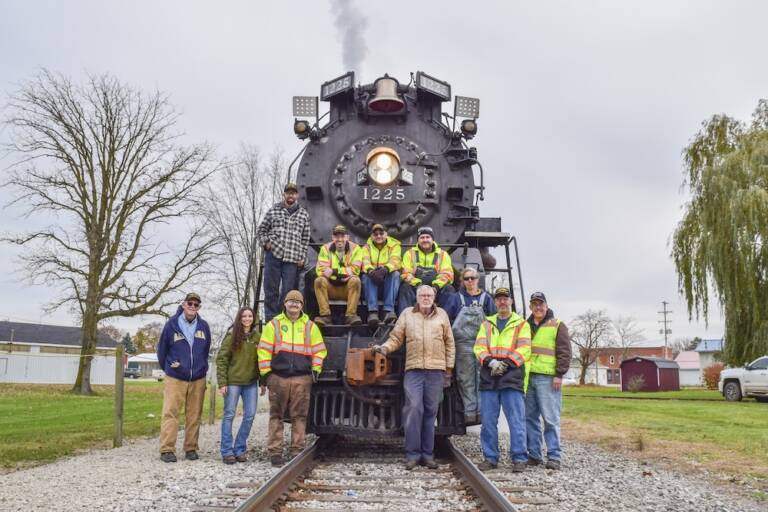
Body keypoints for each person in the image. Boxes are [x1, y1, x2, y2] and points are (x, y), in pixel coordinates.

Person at [373, 285, 455, 470]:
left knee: (430, 412)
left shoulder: (442, 315)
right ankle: (412, 454)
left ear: (434, 298)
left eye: (429, 295)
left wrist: (449, 369)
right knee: (414, 408)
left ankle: (427, 455)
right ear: (417, 298)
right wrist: (385, 348)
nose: (426, 298)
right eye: (422, 295)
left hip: (436, 370)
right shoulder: (407, 314)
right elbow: (396, 338)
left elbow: (449, 343)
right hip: (414, 370)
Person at [257, 290, 327, 467]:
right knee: (276, 415)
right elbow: (263, 350)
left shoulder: (310, 326)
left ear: (302, 306)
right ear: (285, 304)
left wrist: (315, 370)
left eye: (298, 302)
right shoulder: (274, 325)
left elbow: (320, 350)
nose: (294, 304)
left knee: (300, 416)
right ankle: (275, 452)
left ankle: (297, 450)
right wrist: (266, 374)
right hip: (278, 377)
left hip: (302, 378)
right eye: (291, 301)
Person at [473, 287, 531, 472]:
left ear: (510, 301)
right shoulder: (486, 324)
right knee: (488, 421)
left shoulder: (521, 324)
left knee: (516, 420)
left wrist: (505, 364)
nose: (502, 302)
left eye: (505, 299)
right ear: (495, 302)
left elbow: (525, 349)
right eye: (499, 299)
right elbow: (479, 348)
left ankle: (519, 458)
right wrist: (491, 362)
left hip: (511, 377)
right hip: (489, 377)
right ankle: (490, 458)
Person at [157, 292, 212, 463]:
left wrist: (201, 367)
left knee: (194, 414)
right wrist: (171, 367)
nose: (192, 307)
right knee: (171, 412)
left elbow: (205, 350)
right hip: (176, 377)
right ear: (183, 305)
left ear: (199, 307)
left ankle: (191, 448)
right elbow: (162, 351)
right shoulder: (171, 325)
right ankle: (167, 449)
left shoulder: (204, 326)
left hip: (198, 378)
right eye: (190, 303)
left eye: (196, 305)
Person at [524, 292, 571, 470]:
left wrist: (559, 374)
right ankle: (534, 455)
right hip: (529, 377)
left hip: (548, 378)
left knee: (550, 419)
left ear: (546, 306)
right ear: (530, 307)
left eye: (540, 304)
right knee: (530, 418)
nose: (538, 307)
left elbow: (565, 352)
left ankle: (554, 456)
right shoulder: (525, 326)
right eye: (534, 304)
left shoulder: (557, 325)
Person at [447, 268, 496, 424]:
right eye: (466, 278)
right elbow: (447, 320)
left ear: (477, 279)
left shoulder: (487, 299)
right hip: (462, 345)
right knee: (465, 379)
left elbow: (494, 321)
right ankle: (469, 413)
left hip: (483, 344)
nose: (470, 281)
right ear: (462, 280)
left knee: (482, 377)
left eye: (472, 278)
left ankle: (481, 413)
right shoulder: (456, 298)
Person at [257, 182, 310, 322]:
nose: (291, 195)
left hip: (292, 259)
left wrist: (302, 257)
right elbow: (261, 230)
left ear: (297, 195)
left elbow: (305, 239)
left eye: (293, 193)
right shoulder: (274, 210)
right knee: (271, 290)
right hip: (274, 255)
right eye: (288, 193)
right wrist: (266, 243)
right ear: (284, 194)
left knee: (287, 291)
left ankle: (282, 319)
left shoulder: (303, 215)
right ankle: (270, 320)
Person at [216, 307, 260, 464]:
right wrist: (222, 383)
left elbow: (261, 360)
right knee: (229, 415)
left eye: (250, 316)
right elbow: (221, 360)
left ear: (253, 318)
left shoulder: (257, 337)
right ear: (239, 318)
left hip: (251, 383)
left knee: (250, 415)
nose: (247, 319)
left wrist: (262, 382)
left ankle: (239, 449)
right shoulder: (231, 336)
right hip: (233, 382)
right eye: (244, 316)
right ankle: (227, 451)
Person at [397, 226, 455, 315]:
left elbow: (447, 274)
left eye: (428, 237)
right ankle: (405, 318)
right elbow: (406, 273)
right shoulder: (409, 254)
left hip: (436, 289)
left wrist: (435, 287)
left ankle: (444, 319)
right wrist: (418, 286)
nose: (425, 240)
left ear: (432, 239)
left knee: (449, 289)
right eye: (422, 237)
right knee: (405, 288)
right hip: (416, 288)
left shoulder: (443, 254)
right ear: (418, 240)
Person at [313, 224, 363, 326]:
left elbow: (355, 270)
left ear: (347, 237)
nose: (340, 239)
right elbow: (321, 270)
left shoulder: (356, 249)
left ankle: (351, 315)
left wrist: (333, 272)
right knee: (319, 281)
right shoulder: (325, 249)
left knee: (356, 280)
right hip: (330, 288)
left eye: (342, 236)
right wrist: (343, 274)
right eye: (337, 236)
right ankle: (325, 316)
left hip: (347, 289)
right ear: (333, 237)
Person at [360, 223, 402, 328]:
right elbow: (365, 262)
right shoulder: (366, 248)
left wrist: (384, 270)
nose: (378, 236)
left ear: (386, 234)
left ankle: (388, 311)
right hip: (372, 284)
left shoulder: (394, 246)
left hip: (387, 282)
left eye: (381, 233)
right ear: (371, 236)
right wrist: (371, 272)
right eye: (375, 234)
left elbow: (395, 261)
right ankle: (372, 312)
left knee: (395, 274)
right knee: (366, 276)